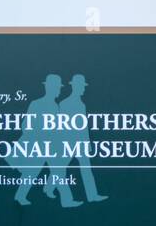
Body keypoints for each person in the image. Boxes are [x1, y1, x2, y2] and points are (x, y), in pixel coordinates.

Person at [10, 74, 79, 207]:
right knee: (31, 173)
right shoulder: (36, 104)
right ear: (50, 88)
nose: (59, 90)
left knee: (59, 171)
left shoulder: (55, 106)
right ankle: (20, 195)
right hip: (39, 146)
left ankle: (66, 200)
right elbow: (26, 125)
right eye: (57, 87)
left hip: (51, 146)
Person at [57, 74, 108, 203]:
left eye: (83, 86)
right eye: (81, 86)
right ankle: (54, 190)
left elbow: (83, 127)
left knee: (86, 169)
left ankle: (92, 196)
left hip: (80, 143)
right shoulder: (64, 104)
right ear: (75, 87)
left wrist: (87, 144)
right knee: (60, 170)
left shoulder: (81, 105)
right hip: (68, 143)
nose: (84, 89)